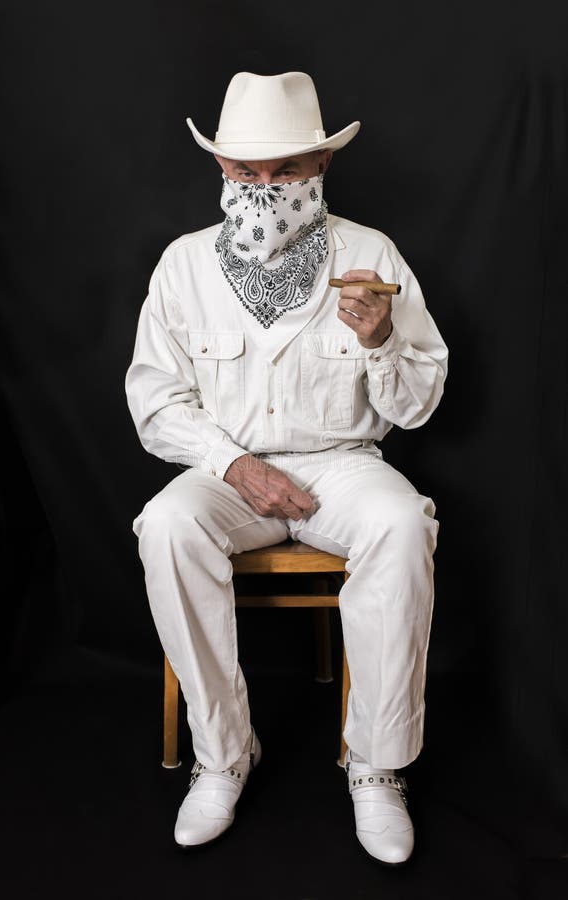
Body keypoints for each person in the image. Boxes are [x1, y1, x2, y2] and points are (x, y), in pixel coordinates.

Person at [125, 71, 448, 865]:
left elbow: (417, 408)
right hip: (226, 471)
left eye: (287, 171)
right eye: (247, 173)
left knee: (402, 523)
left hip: (342, 465)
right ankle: (223, 753)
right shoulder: (184, 266)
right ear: (222, 171)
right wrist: (233, 465)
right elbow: (156, 403)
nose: (265, 189)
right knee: (166, 524)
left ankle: (375, 765)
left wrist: (379, 341)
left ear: (321, 166)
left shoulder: (371, 254)